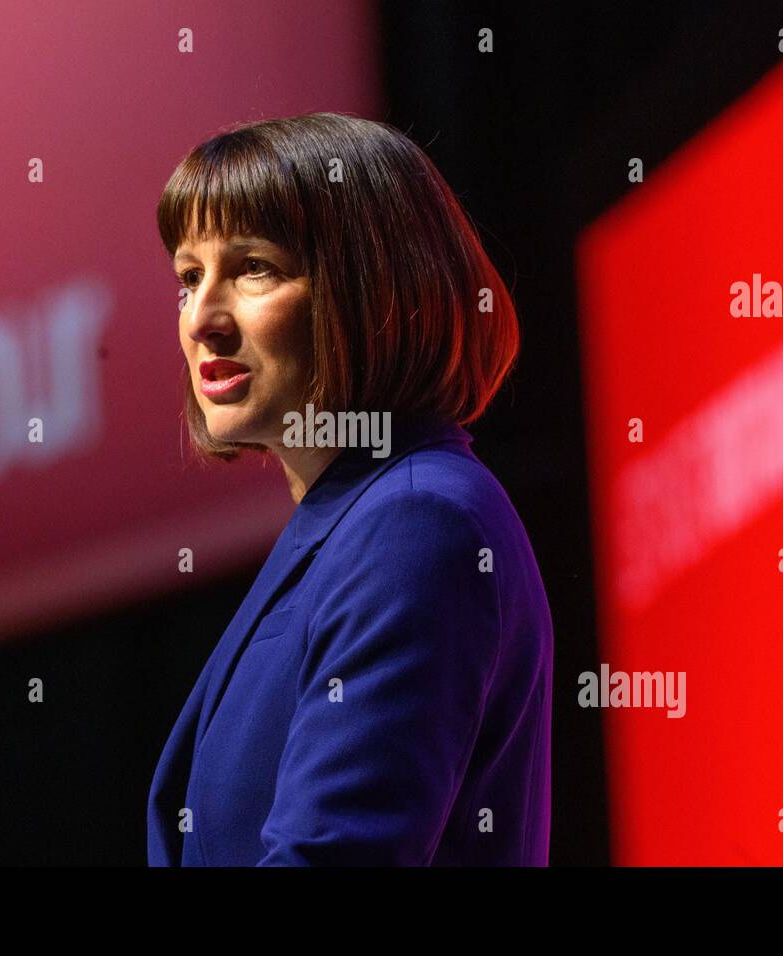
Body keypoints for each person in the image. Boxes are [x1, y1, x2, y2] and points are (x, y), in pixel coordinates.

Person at [147, 112, 553, 865]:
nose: (202, 318)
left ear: (371, 285)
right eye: (188, 278)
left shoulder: (416, 522)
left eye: (254, 268)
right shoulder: (359, 524)